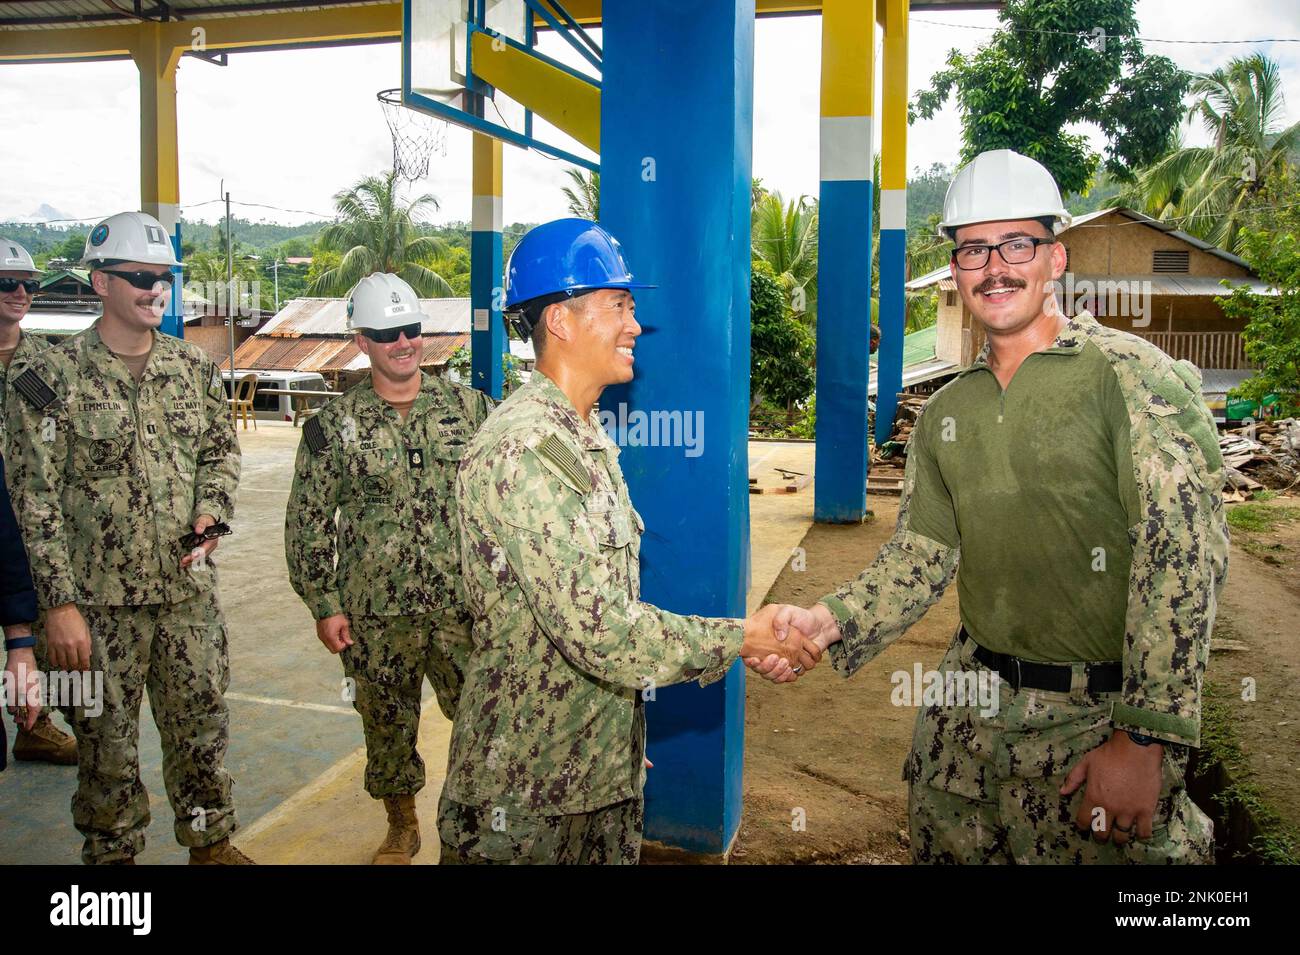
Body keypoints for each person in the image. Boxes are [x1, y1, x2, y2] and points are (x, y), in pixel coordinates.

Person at [760, 150, 1228, 864]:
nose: (995, 267)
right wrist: (823, 624)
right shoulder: (948, 411)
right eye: (973, 249)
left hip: (1093, 726)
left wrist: (1143, 738)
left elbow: (1184, 559)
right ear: (955, 269)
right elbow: (918, 559)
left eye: (1017, 244)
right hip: (964, 723)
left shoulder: (1133, 379)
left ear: (1056, 258)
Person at [440, 218, 819, 865]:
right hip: (525, 801)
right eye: (618, 305)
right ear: (560, 320)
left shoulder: (583, 438)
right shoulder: (524, 450)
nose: (635, 326)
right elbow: (603, 633)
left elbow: (588, 617)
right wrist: (746, 636)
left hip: (595, 775)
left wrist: (612, 735)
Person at [5, 211, 252, 865]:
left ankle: (211, 845)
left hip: (187, 596)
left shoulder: (193, 368)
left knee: (202, 729)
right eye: (140, 276)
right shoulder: (49, 377)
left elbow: (219, 455)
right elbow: (34, 499)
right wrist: (57, 605)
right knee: (104, 747)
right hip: (95, 608)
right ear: (100, 282)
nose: (156, 288)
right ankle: (113, 859)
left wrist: (211, 514)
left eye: (164, 276)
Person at [285, 271, 493, 864]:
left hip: (461, 607)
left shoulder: (472, 410)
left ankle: (481, 820)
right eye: (386, 334)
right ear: (362, 341)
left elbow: (506, 497)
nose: (403, 343)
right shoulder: (331, 428)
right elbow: (307, 522)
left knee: (484, 717)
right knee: (386, 725)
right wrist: (324, 604)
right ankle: (402, 827)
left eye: (411, 330)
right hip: (375, 616)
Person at [0, 237, 76, 764]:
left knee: (51, 635)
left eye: (29, 285)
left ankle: (38, 723)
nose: (21, 293)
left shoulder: (48, 362)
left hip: (38, 523)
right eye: (7, 284)